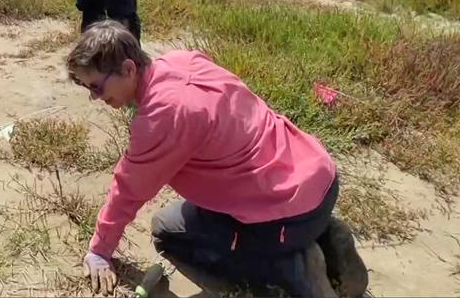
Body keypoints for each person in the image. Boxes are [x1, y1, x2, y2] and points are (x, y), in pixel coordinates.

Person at [66, 21, 368, 297]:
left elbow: (128, 191)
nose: (94, 97)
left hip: (283, 213)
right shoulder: (181, 61)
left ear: (129, 69)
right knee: (178, 219)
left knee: (168, 234)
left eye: (96, 86)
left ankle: (296, 264)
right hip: (316, 180)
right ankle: (324, 233)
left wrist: (99, 251)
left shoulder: (162, 116)